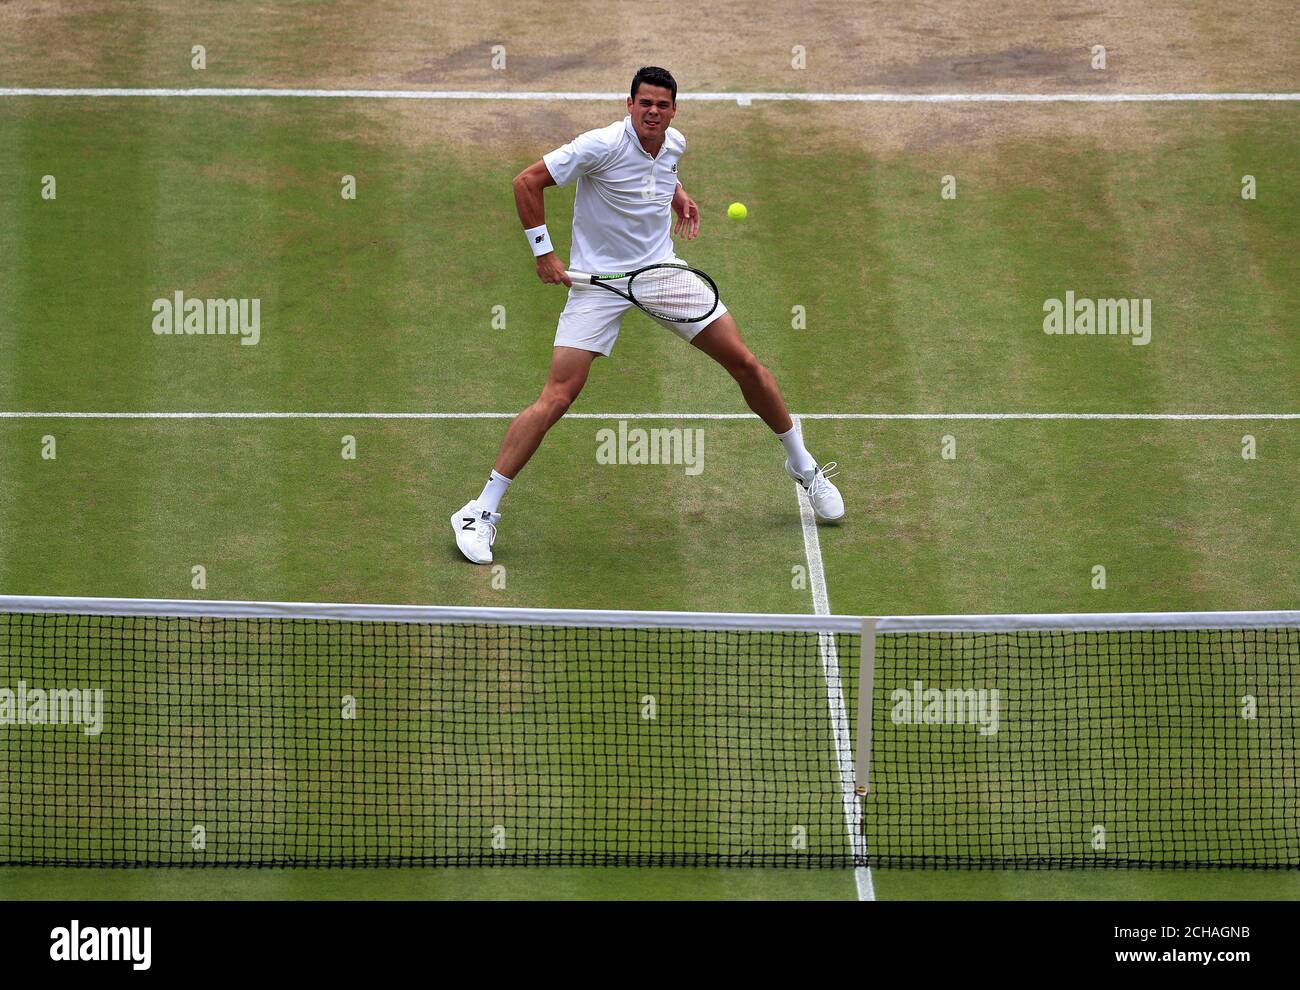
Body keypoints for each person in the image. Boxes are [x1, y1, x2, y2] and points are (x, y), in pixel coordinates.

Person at [453, 66, 843, 564]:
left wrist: (676, 196)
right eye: (645, 104)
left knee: (745, 363)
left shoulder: (673, 142)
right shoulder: (599, 145)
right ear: (629, 104)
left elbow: (661, 173)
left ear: (673, 110)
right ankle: (478, 512)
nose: (653, 112)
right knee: (558, 396)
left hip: (660, 273)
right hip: (598, 284)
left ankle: (804, 467)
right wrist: (544, 253)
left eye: (662, 105)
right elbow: (526, 182)